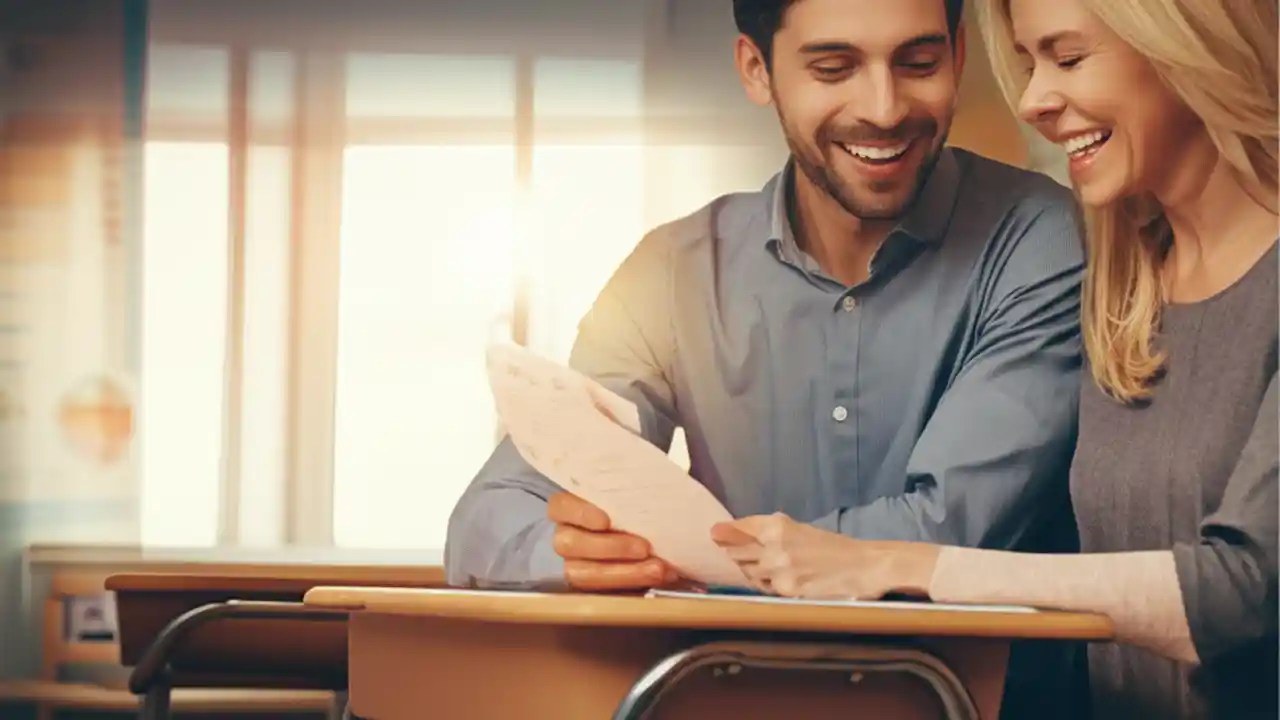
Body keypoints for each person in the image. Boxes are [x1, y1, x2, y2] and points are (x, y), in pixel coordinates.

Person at [447, 0, 1085, 713]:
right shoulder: (671, 271)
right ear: (757, 70)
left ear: (958, 60)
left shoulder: (1042, 242)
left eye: (918, 62)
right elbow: (489, 516)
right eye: (833, 67)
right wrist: (570, 552)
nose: (883, 107)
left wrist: (697, 564)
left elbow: (950, 529)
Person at [711, 0, 1279, 717]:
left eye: (1067, 58)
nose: (1035, 101)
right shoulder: (1121, 283)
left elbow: (1248, 593)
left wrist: (895, 562)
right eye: (1028, 62)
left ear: (1185, 47)